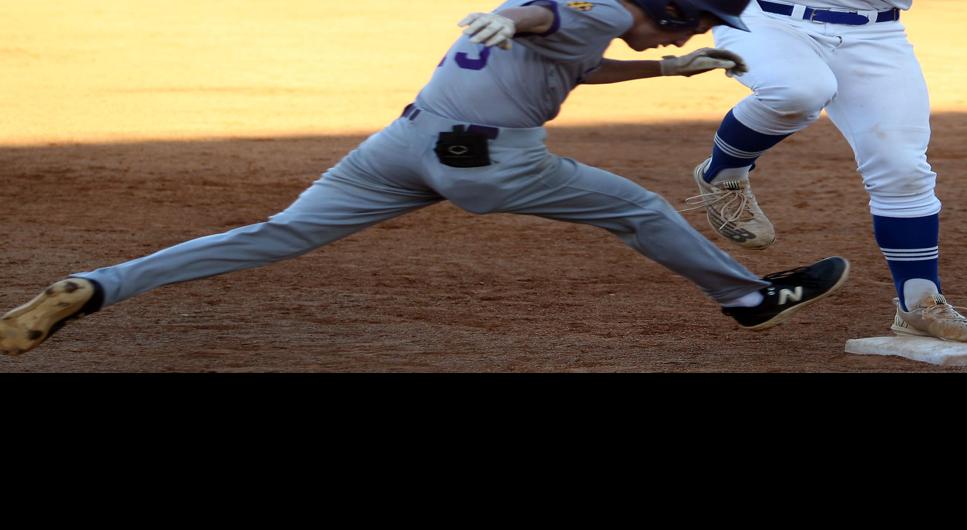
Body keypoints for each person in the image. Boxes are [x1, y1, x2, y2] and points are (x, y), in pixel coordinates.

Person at [0, 0, 850, 358]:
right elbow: (550, 22)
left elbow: (560, 56)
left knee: (272, 234)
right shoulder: (600, 11)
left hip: (399, 144)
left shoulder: (592, 18)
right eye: (696, 18)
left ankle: (98, 287)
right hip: (487, 162)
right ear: (668, 7)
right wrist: (521, 17)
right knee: (637, 206)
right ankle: (746, 300)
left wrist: (667, 75)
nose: (695, 29)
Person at [681, 0, 967, 344]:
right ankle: (724, 172)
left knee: (902, 169)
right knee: (799, 91)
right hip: (768, 18)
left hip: (876, 31)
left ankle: (921, 305)